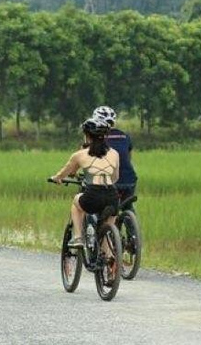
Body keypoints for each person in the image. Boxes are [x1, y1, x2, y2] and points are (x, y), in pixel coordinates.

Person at [50, 118, 120, 249]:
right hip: (112, 195)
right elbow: (115, 177)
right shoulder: (114, 154)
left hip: (93, 195)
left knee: (76, 203)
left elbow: (63, 173)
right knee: (105, 232)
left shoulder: (79, 155)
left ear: (87, 136)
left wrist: (57, 178)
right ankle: (111, 260)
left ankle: (77, 238)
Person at [92, 106, 138, 208]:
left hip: (108, 182)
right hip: (129, 180)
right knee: (128, 206)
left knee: (95, 204)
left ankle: (102, 221)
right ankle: (132, 220)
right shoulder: (125, 136)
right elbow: (128, 159)